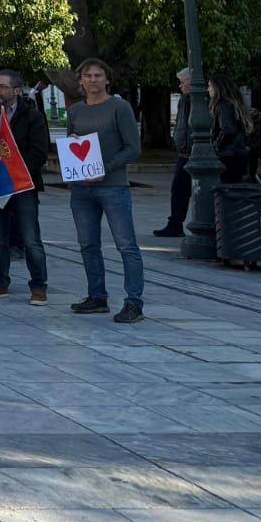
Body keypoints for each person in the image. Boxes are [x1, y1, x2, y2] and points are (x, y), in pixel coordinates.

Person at [65, 58, 145, 323]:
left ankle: (134, 302)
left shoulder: (120, 107)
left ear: (107, 79)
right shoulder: (76, 110)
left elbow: (133, 147)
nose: (93, 80)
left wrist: (106, 169)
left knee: (126, 245)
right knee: (88, 244)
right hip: (82, 189)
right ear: (80, 80)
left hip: (113, 187)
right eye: (87, 75)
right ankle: (97, 296)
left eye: (98, 75)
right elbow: (72, 141)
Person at [0, 68, 51, 304]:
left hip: (24, 185)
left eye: (2, 86)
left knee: (31, 238)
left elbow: (39, 152)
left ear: (17, 91)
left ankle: (38, 286)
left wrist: (15, 172)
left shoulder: (32, 117)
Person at [154, 68, 193, 237]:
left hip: (191, 151)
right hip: (184, 151)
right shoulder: (184, 100)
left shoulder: (195, 100)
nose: (180, 86)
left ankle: (176, 223)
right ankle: (175, 223)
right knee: (179, 188)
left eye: (183, 82)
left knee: (182, 188)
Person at [209, 74, 253, 184]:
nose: (208, 89)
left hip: (227, 155)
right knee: (234, 188)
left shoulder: (223, 106)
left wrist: (217, 146)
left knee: (225, 188)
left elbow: (227, 130)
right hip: (237, 154)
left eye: (210, 86)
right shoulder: (233, 104)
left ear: (218, 88)